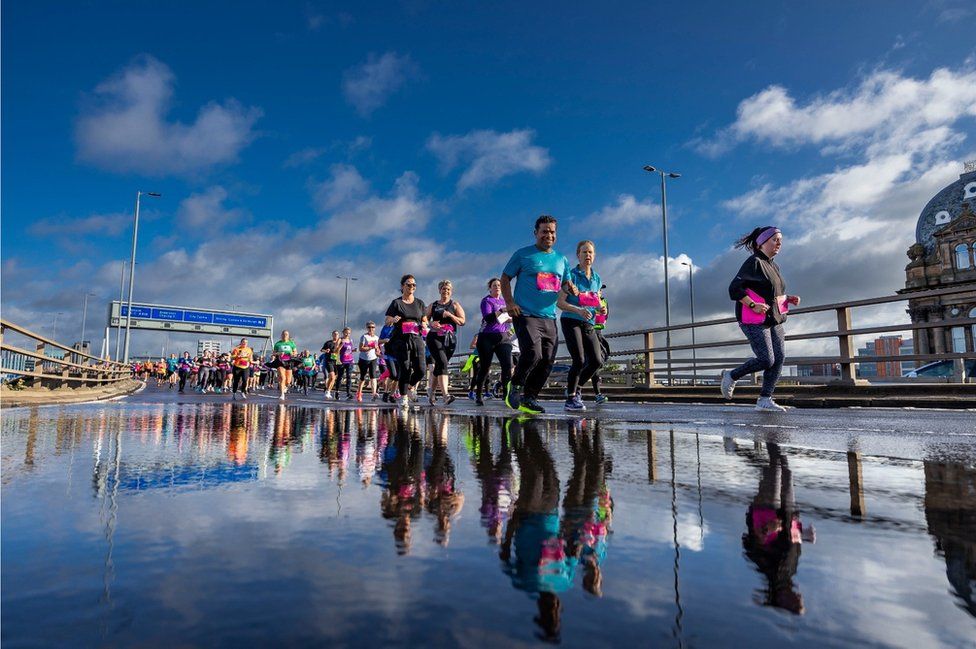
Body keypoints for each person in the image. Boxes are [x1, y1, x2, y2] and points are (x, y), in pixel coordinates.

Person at [501, 214, 575, 415]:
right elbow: (505, 277)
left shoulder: (561, 259)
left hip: (549, 316)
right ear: (536, 233)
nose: (548, 235)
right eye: (544, 231)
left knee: (547, 360)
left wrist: (571, 287)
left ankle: (529, 398)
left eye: (552, 231)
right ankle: (515, 386)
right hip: (524, 313)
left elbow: (565, 283)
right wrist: (509, 302)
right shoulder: (523, 255)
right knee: (533, 352)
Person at [722, 226, 801, 412]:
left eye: (780, 240)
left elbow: (771, 292)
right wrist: (752, 305)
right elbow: (734, 289)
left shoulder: (773, 265)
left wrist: (788, 298)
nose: (779, 243)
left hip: (774, 318)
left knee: (779, 358)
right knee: (766, 359)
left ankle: (765, 399)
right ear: (761, 243)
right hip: (753, 319)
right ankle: (731, 375)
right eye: (775, 239)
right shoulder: (754, 262)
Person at [557, 240, 606, 411]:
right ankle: (571, 398)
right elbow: (560, 303)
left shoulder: (597, 278)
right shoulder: (570, 276)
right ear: (578, 255)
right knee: (579, 359)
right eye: (584, 252)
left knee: (596, 361)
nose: (587, 255)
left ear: (594, 256)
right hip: (571, 319)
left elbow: (597, 302)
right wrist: (578, 310)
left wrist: (601, 308)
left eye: (590, 252)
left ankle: (576, 388)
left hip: (589, 322)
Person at [385, 274, 428, 408]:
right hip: (401, 340)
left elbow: (424, 320)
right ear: (402, 286)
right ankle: (403, 398)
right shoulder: (396, 303)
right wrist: (393, 320)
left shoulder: (420, 303)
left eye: (414, 285)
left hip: (417, 338)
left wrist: (425, 325)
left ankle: (409, 387)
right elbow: (387, 321)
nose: (412, 287)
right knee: (405, 369)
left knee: (421, 370)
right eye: (409, 284)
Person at [474, 278, 514, 406]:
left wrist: (511, 317)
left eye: (499, 285)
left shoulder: (505, 301)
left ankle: (507, 395)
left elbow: (510, 317)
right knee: (485, 367)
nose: (497, 287)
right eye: (494, 285)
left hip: (503, 337)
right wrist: (502, 310)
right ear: (490, 288)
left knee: (508, 365)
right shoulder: (487, 301)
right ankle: (479, 394)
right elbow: (489, 318)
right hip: (487, 336)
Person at [425, 280, 465, 406]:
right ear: (439, 290)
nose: (445, 291)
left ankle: (431, 393)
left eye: (448, 289)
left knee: (440, 367)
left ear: (451, 291)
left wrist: (450, 315)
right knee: (442, 363)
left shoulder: (455, 305)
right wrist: (431, 323)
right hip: (434, 337)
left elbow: (462, 321)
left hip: (449, 339)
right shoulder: (434, 305)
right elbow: (424, 319)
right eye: (443, 289)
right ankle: (445, 395)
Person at [356, 322, 380, 402]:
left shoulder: (376, 338)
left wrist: (378, 351)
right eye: (369, 327)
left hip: (373, 358)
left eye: (373, 327)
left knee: (373, 377)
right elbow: (360, 348)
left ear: (374, 328)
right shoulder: (364, 337)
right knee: (362, 377)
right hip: (364, 359)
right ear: (367, 328)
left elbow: (377, 348)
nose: (371, 329)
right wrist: (370, 347)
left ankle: (374, 394)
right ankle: (359, 393)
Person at [271, 330, 298, 400]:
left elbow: (295, 353)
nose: (285, 335)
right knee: (282, 377)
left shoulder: (292, 344)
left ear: (288, 336)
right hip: (280, 362)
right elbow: (274, 353)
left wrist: (292, 354)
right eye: (283, 334)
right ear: (281, 335)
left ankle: (286, 386)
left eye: (286, 334)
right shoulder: (277, 344)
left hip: (289, 362)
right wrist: (279, 353)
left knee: (288, 380)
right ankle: (282, 394)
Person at [336, 327, 356, 400]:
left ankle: (348, 393)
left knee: (349, 377)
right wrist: (340, 346)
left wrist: (354, 350)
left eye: (349, 333)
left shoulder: (350, 340)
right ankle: (337, 392)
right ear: (343, 332)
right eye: (346, 332)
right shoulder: (340, 340)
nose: (347, 334)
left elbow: (350, 350)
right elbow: (336, 350)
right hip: (341, 361)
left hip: (350, 361)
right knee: (340, 377)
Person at [320, 330, 340, 400]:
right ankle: (327, 391)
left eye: (337, 334)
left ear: (338, 335)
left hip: (337, 362)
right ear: (332, 335)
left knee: (334, 378)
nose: (335, 335)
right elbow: (322, 350)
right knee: (332, 376)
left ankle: (328, 390)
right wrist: (326, 351)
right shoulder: (328, 343)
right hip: (329, 361)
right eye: (334, 334)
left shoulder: (341, 343)